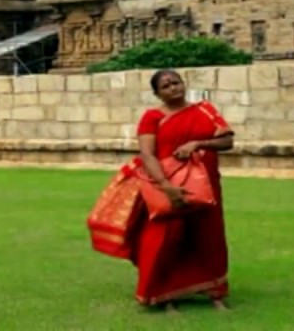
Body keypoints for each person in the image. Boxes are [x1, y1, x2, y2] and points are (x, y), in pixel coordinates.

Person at [87, 68, 235, 313]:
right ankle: (164, 296)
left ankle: (215, 293)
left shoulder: (205, 110)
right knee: (165, 240)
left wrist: (198, 143)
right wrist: (166, 187)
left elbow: (227, 142)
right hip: (166, 185)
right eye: (166, 86)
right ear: (157, 93)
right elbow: (147, 154)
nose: (173, 88)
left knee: (209, 238)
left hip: (205, 185)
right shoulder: (152, 117)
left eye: (176, 82)